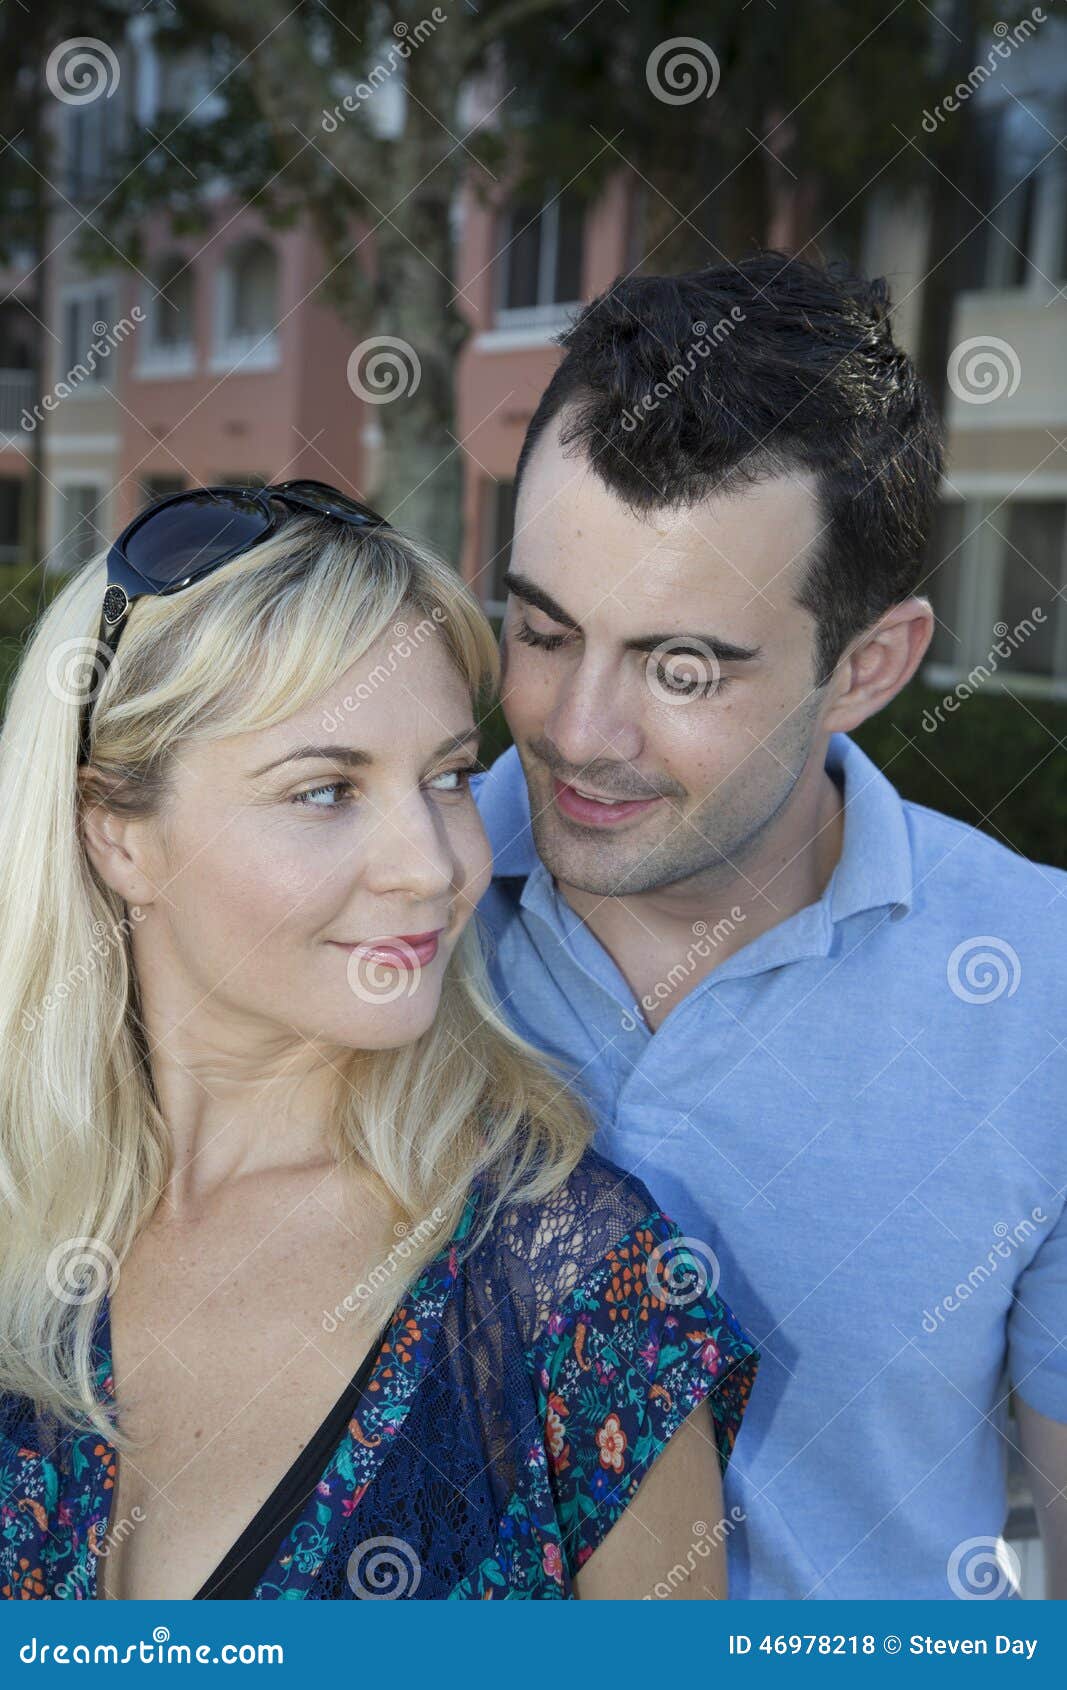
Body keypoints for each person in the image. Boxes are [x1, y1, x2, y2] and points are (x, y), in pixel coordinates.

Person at [0, 480, 758, 1602]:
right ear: (118, 836)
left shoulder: (577, 1287)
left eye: (448, 776)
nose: (435, 864)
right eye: (325, 790)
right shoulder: (25, 1209)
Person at [469, 252, 1067, 1601]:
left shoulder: (1044, 993)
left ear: (867, 664)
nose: (577, 731)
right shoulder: (357, 911)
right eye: (542, 629)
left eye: (682, 667)